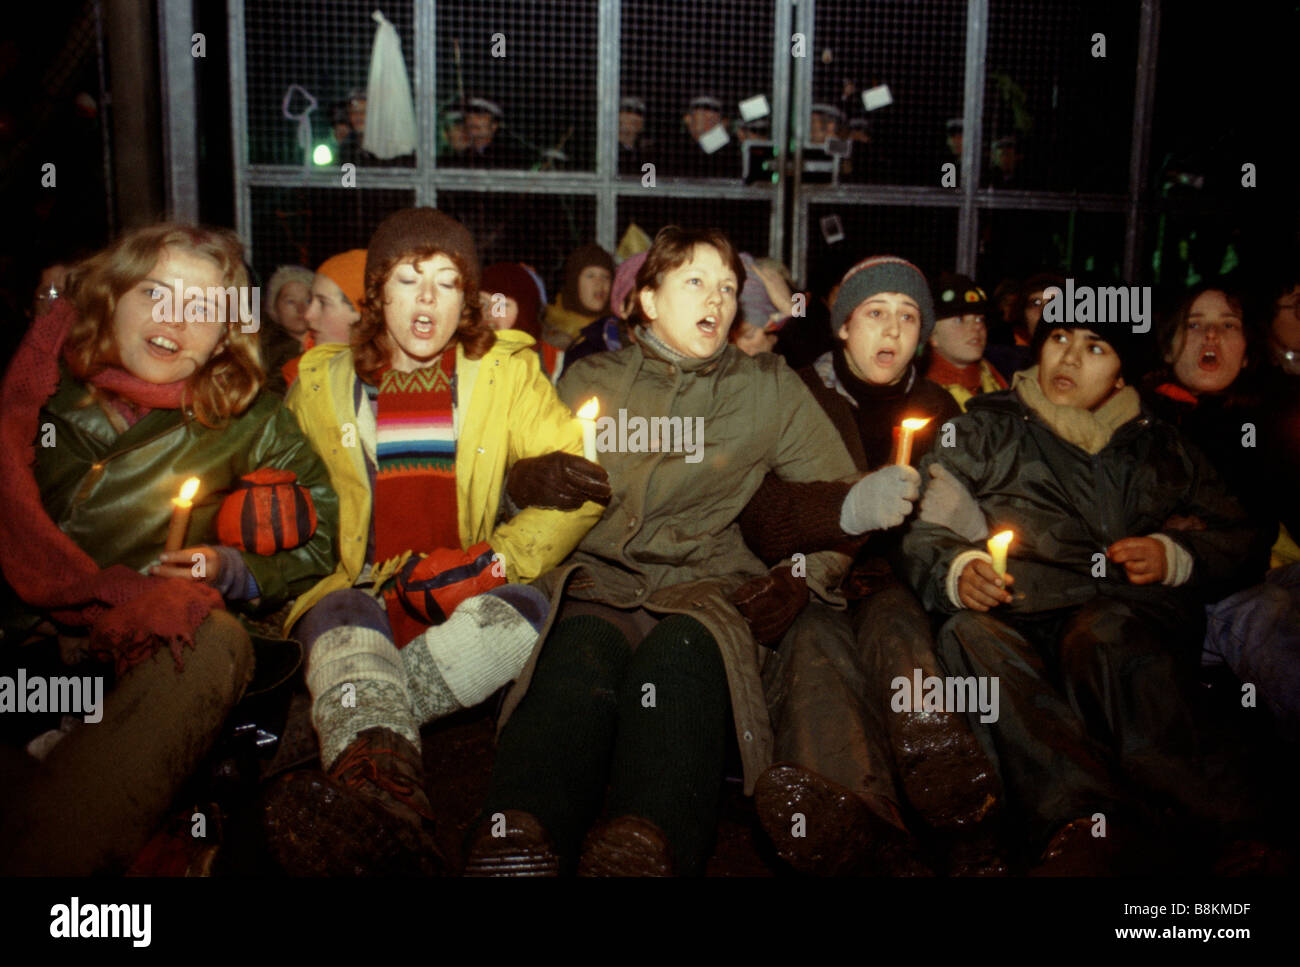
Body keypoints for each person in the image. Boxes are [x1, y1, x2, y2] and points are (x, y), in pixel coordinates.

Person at [464, 226, 858, 876]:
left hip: (707, 594)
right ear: (647, 300)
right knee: (573, 667)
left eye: (729, 287)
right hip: (600, 583)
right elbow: (509, 499)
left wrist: (801, 576)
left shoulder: (767, 389)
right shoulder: (591, 378)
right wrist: (525, 482)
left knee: (676, 676)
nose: (719, 299)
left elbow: (843, 502)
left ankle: (650, 840)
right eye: (696, 282)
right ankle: (518, 833)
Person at [261, 208, 609, 876]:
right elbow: (282, 495)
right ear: (377, 293)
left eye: (447, 282)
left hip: (455, 595)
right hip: (355, 596)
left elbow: (581, 487)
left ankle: (351, 729)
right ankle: (388, 801)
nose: (427, 298)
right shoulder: (316, 382)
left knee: (528, 615)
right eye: (409, 278)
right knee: (345, 612)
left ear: (467, 299)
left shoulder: (508, 370)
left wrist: (497, 559)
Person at [0, 223, 338, 874]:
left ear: (225, 332)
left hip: (150, 657)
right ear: (112, 296)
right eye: (155, 293)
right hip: (23, 655)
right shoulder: (38, 384)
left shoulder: (248, 416)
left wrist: (235, 568)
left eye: (203, 306)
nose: (175, 320)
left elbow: (321, 529)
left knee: (215, 637)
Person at [901, 308, 1267, 873]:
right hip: (1014, 611)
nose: (1069, 356)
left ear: (1122, 376)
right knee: (967, 634)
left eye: (1096, 347)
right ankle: (1084, 827)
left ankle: (1218, 828)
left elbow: (1241, 536)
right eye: (1059, 339)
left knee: (1105, 637)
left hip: (1121, 611)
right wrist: (958, 569)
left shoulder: (1157, 444)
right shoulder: (983, 429)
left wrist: (1176, 555)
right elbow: (925, 529)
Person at [733, 256, 995, 876]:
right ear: (844, 327)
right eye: (875, 314)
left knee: (899, 632)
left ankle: (951, 788)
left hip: (893, 580)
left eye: (909, 317)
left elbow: (964, 514)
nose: (892, 331)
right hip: (807, 582)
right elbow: (762, 508)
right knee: (815, 655)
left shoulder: (940, 409)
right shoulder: (796, 391)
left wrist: (969, 524)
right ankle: (859, 818)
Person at [1144, 284, 1300, 739]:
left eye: (1227, 326)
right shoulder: (1139, 417)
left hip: (1273, 574)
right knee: (1268, 615)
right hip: (1203, 597)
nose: (1211, 336)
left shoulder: (1270, 415)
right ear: (1168, 347)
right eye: (1194, 325)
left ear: (1248, 351)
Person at [281, 249, 366, 389]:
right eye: (311, 300)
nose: (307, 315)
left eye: (323, 303)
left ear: (363, 314)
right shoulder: (294, 377)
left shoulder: (400, 383)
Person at [923, 271, 1008, 410]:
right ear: (932, 336)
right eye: (960, 320)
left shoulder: (996, 379)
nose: (977, 327)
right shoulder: (920, 394)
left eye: (980, 319)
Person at [542, 243, 614, 352]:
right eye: (590, 276)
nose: (599, 283)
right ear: (574, 282)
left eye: (605, 277)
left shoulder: (618, 333)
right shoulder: (550, 337)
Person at [260, 264, 314, 396]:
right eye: (290, 302)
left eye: (307, 300)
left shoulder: (332, 345)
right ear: (275, 308)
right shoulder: (262, 355)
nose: (301, 309)